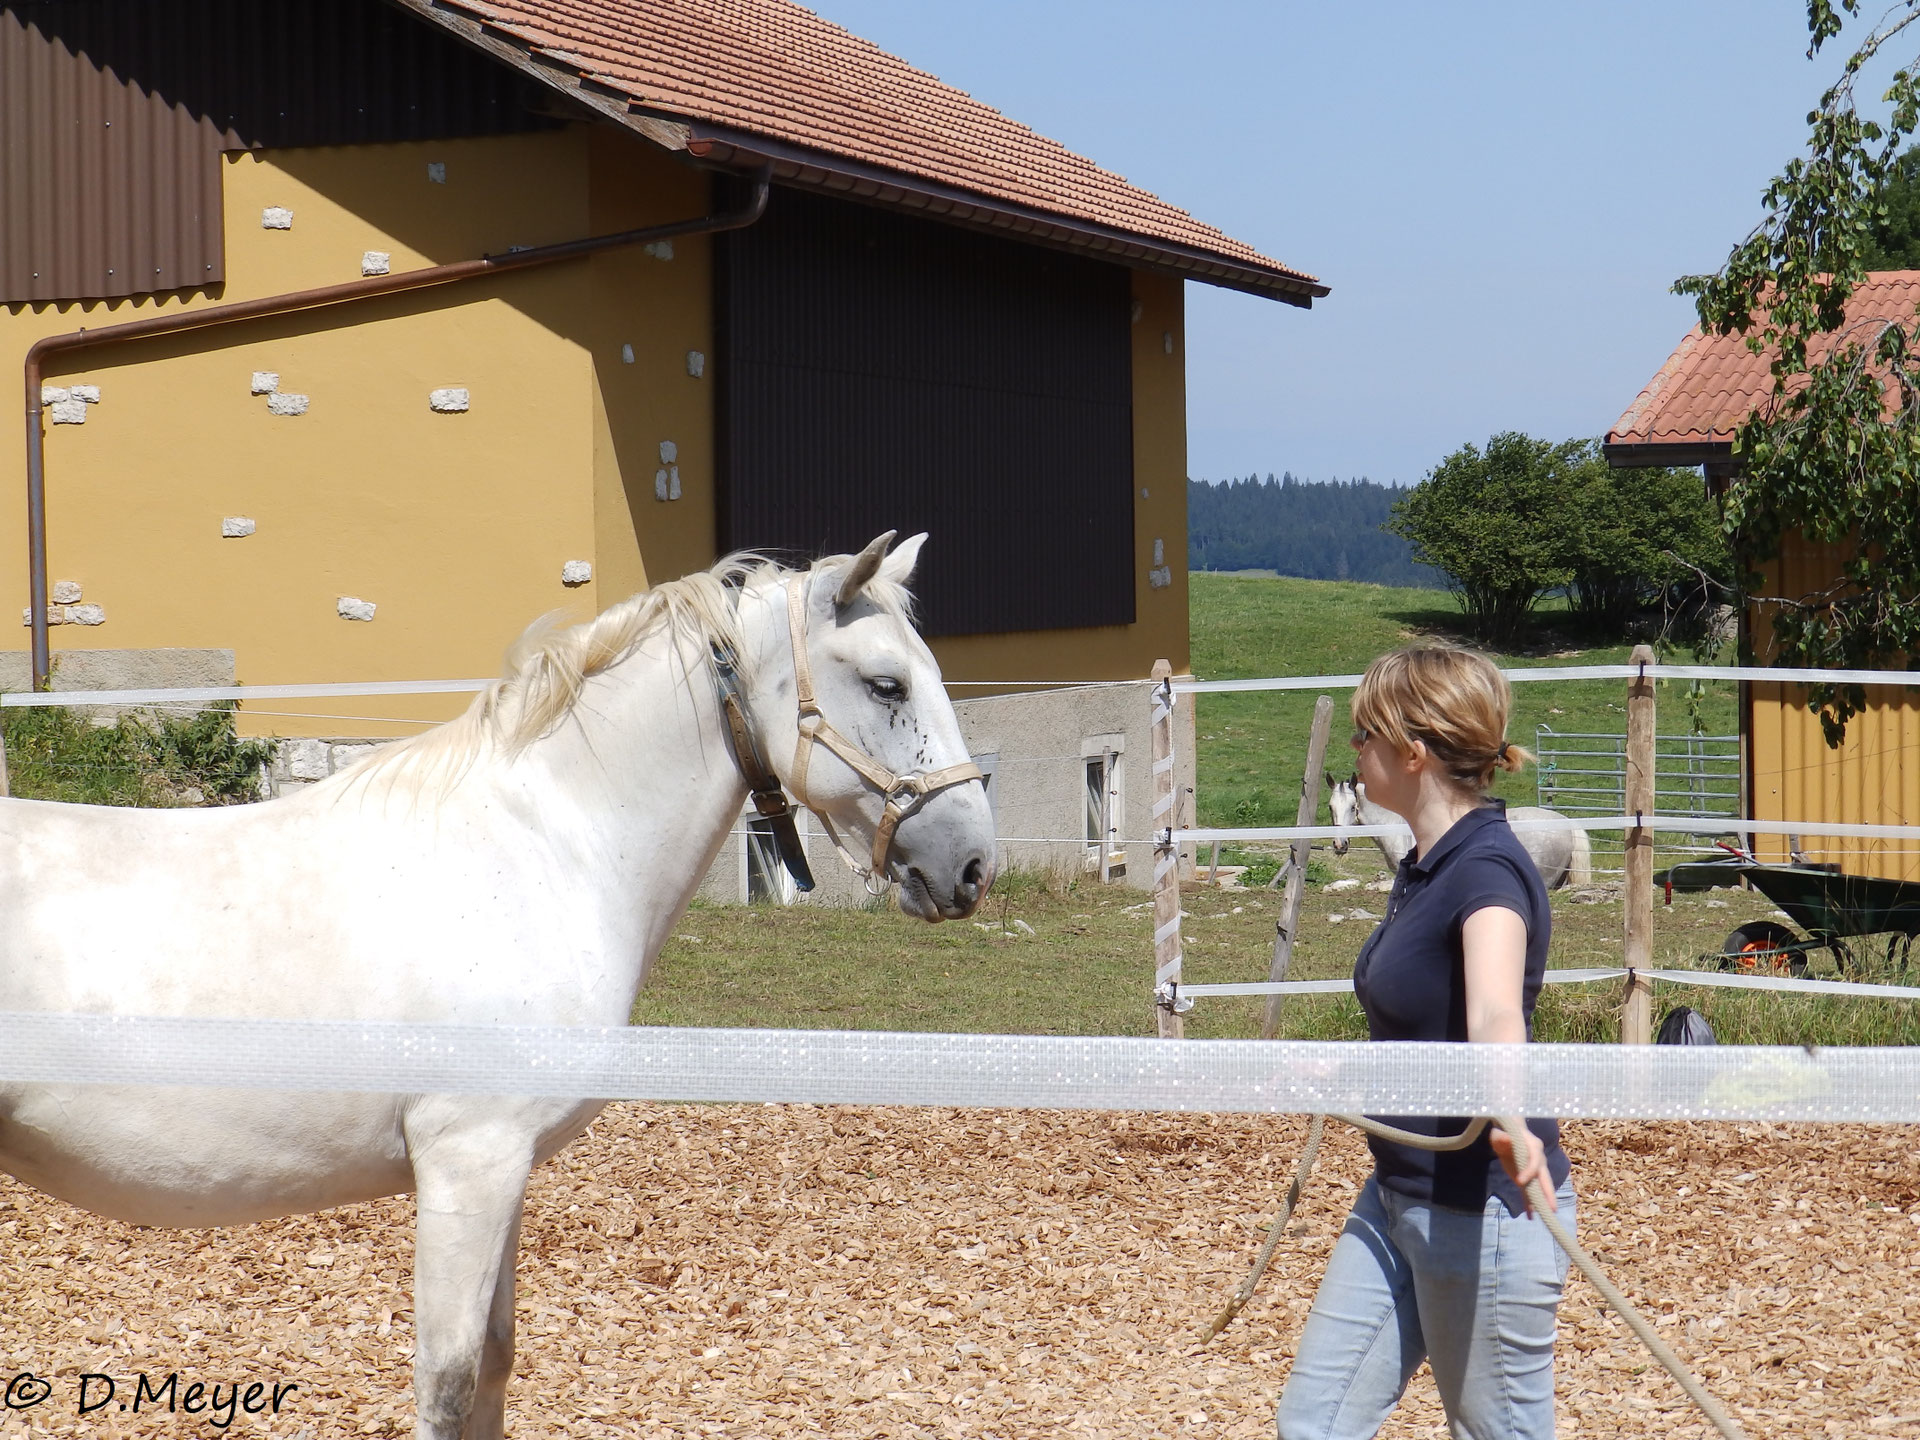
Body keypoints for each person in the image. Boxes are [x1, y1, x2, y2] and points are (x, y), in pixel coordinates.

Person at [1275, 644, 1575, 1440]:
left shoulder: (1487, 873)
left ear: (1412, 752)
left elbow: (1493, 1012)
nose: (1354, 751)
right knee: (1313, 1427)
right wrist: (1346, 1067)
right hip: (1398, 1195)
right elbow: (1430, 1015)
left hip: (1483, 1213)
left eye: (1365, 735)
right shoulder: (1427, 864)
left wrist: (1509, 1120)